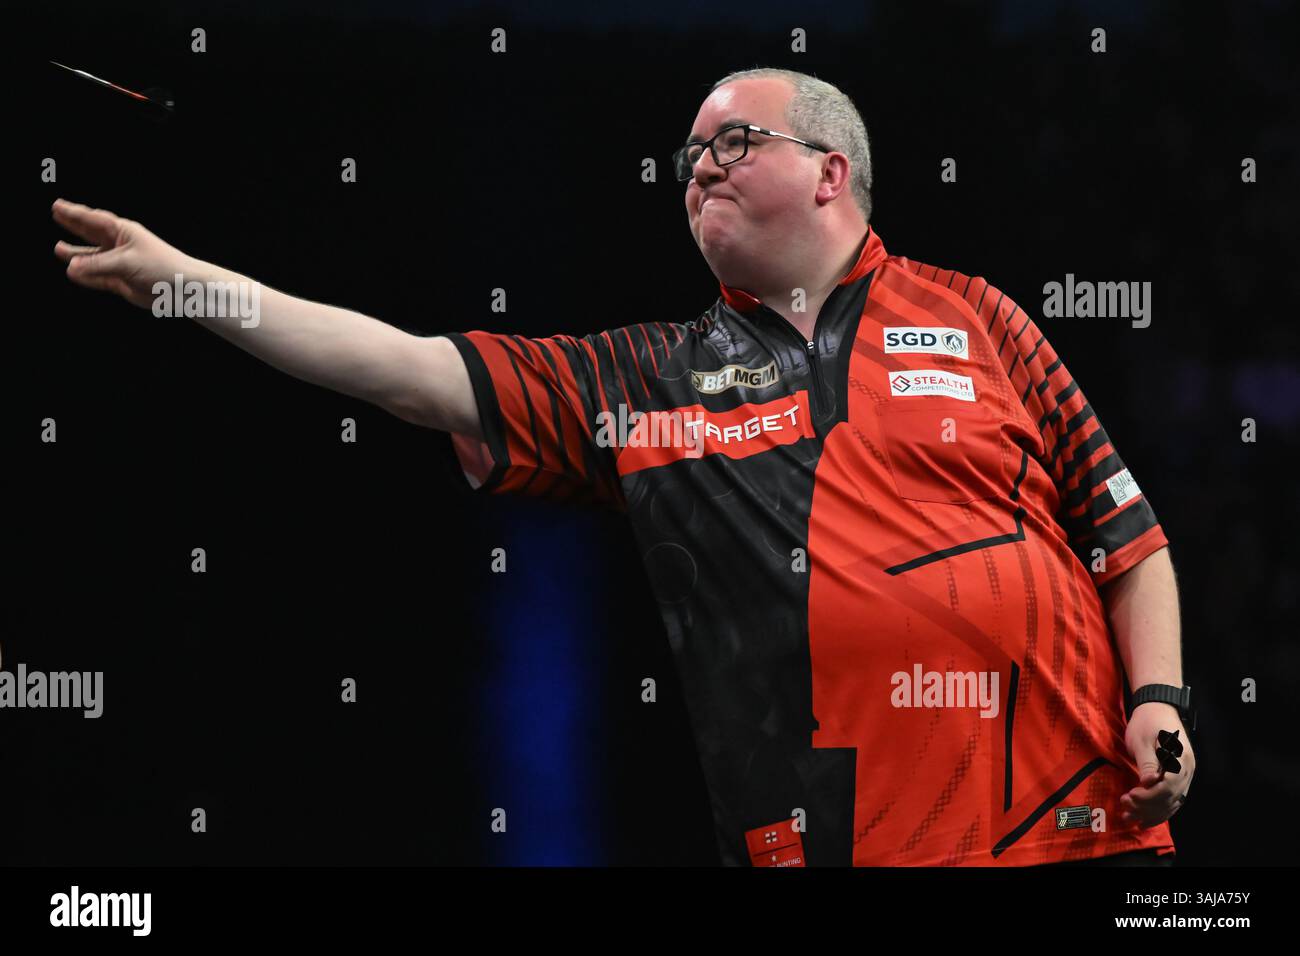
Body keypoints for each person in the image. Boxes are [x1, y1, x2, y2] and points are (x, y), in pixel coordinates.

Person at [51, 66, 1194, 867]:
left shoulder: (981, 316)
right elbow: (405, 368)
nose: (695, 167)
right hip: (840, 847)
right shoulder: (645, 379)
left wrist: (1156, 699)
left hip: (1079, 824)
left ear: (831, 170)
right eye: (685, 156)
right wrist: (182, 284)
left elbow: (1128, 541)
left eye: (730, 142)